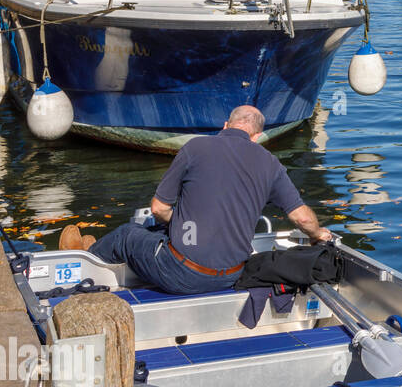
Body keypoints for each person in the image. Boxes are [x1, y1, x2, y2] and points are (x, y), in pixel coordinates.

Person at [60, 105, 332, 294]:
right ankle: (89, 251)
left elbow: (159, 208)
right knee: (166, 231)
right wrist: (318, 234)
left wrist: (177, 223)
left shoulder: (196, 147)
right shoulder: (270, 163)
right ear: (257, 137)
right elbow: (302, 218)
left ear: (224, 126)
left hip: (182, 274)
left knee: (128, 233)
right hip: (231, 275)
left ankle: (81, 261)